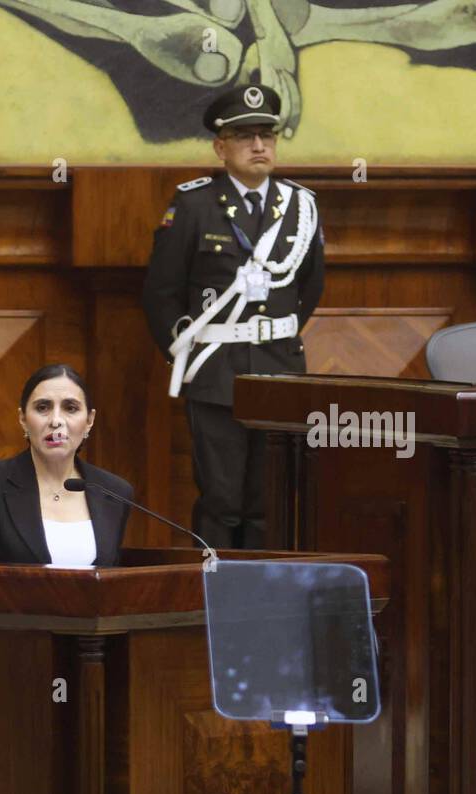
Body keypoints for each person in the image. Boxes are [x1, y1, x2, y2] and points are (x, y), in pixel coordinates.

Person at [141, 83, 325, 550]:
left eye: (267, 135)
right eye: (246, 136)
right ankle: (213, 601)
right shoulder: (193, 205)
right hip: (215, 372)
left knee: (269, 502)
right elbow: (162, 294)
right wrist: (187, 357)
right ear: (221, 146)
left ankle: (262, 604)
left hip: (280, 371)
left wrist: (271, 335)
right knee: (222, 500)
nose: (260, 146)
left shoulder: (301, 207)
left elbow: (310, 287)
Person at [0, 364, 133, 566]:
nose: (56, 421)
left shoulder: (114, 492)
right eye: (43, 408)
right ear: (23, 419)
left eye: (70, 408)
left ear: (89, 420)